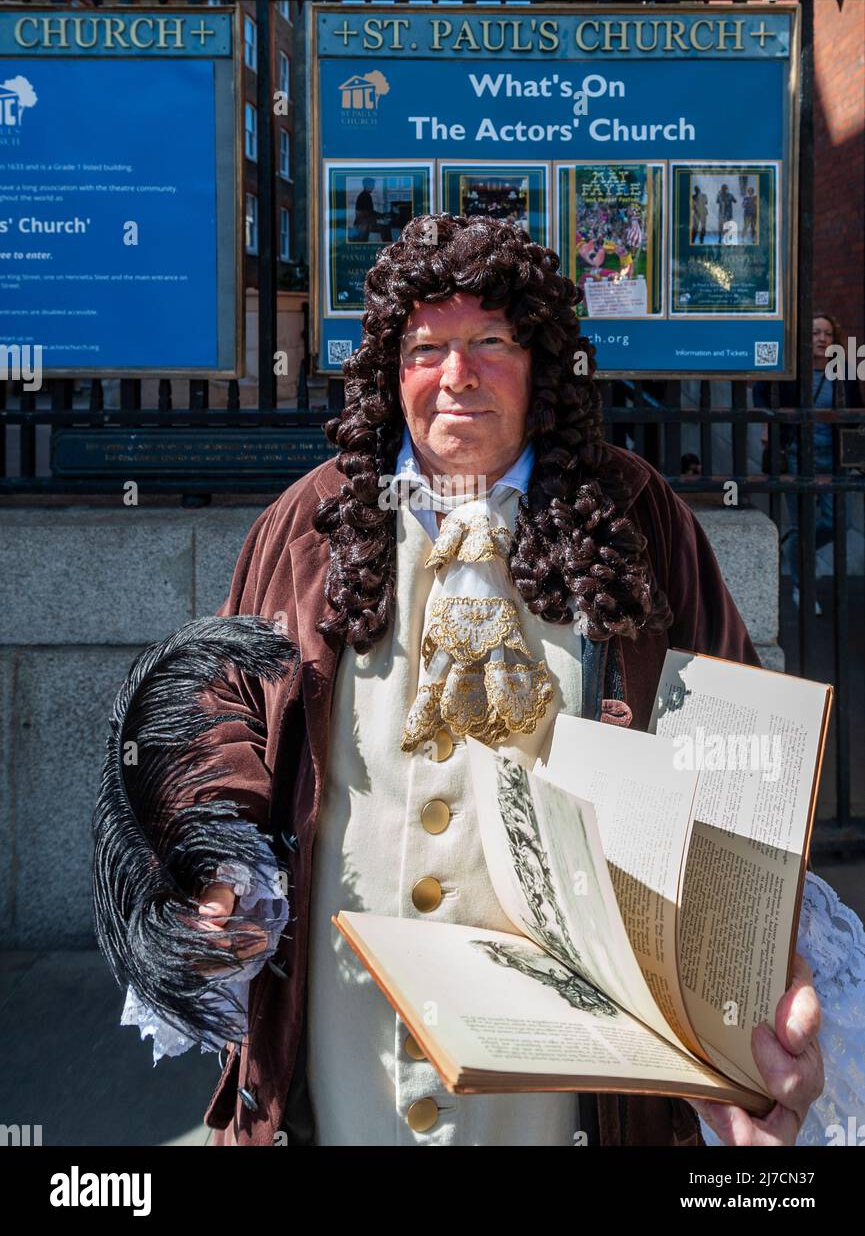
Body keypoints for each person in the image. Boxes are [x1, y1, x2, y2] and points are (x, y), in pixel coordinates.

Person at [97, 215, 831, 1148]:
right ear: (388, 371)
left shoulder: (639, 518)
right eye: (426, 348)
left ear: (542, 363)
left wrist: (745, 1002)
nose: (456, 376)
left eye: (490, 342)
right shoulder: (303, 526)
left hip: (570, 1062)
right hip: (344, 1037)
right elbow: (218, 715)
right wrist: (213, 862)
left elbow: (734, 759)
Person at [754, 313, 862, 611]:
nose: (822, 339)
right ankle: (802, 587)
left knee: (840, 523)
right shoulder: (792, 371)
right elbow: (761, 392)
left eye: (827, 333)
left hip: (833, 459)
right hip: (796, 457)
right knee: (803, 523)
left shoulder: (845, 372)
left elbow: (856, 414)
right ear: (806, 337)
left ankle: (795, 549)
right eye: (815, 333)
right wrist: (766, 424)